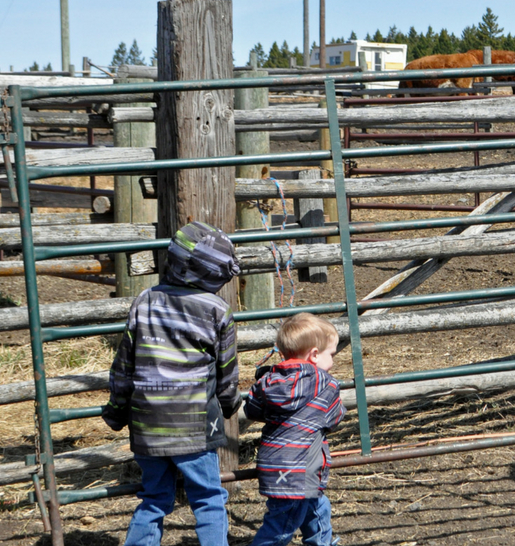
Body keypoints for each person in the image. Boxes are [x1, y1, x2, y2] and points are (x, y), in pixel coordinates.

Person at [103, 221, 242, 546]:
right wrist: (229, 404)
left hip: (147, 425)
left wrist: (115, 411)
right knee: (209, 499)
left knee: (154, 499)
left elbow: (123, 365)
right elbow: (227, 372)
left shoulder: (145, 301)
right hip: (193, 428)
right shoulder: (217, 311)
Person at [246, 312, 345, 546]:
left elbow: (252, 410)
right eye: (331, 354)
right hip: (303, 468)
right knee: (281, 527)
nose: (332, 361)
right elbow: (334, 419)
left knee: (316, 507)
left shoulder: (267, 381)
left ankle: (322, 542)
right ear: (314, 354)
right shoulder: (327, 384)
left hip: (273, 464)